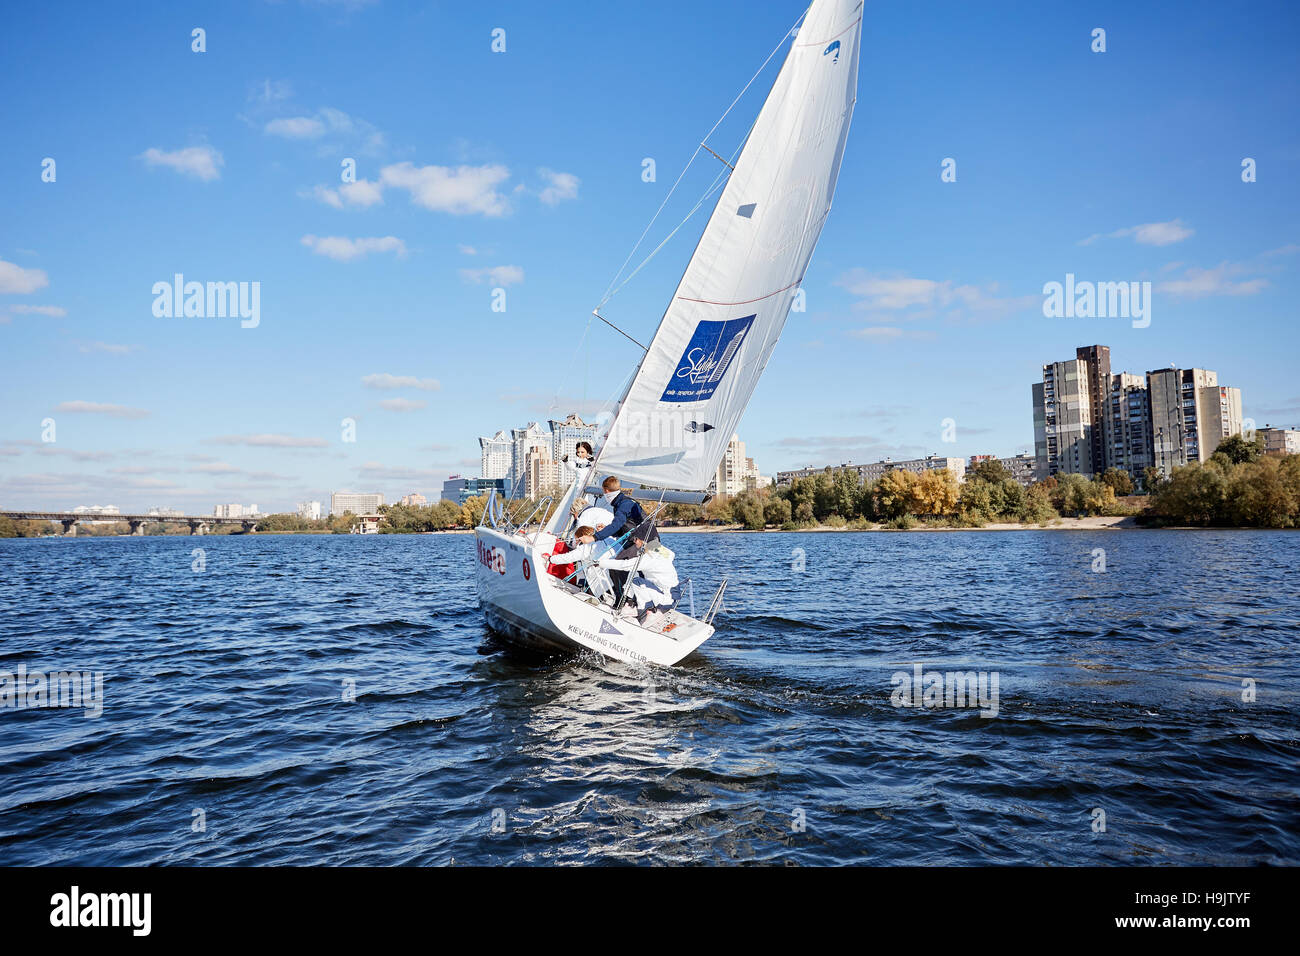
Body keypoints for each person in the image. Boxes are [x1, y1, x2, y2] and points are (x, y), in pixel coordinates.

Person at [598, 535, 679, 628]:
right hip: (665, 592)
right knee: (633, 575)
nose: (634, 541)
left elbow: (625, 565)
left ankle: (650, 611)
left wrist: (601, 563)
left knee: (637, 581)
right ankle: (633, 605)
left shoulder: (650, 558)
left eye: (636, 539)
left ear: (644, 541)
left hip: (666, 598)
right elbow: (671, 554)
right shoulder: (658, 551)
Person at [592, 476, 646, 601]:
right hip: (643, 541)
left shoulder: (624, 504)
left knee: (616, 567)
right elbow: (623, 528)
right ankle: (634, 599)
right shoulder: (623, 502)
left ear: (606, 491)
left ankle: (623, 601)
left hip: (643, 542)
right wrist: (607, 529)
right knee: (639, 570)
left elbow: (616, 524)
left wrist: (595, 537)